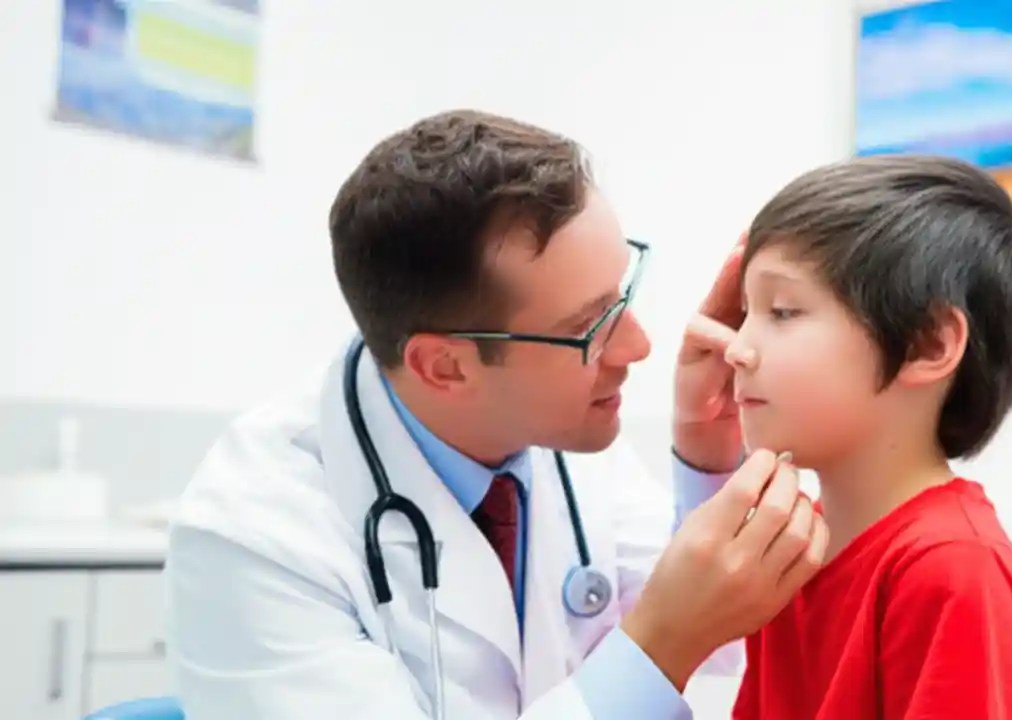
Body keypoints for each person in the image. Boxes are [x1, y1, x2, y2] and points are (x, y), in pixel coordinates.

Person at [163, 109, 828, 719]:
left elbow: (725, 647)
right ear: (444, 365)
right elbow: (673, 635)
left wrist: (705, 463)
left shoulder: (564, 444)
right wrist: (662, 642)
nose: (639, 346)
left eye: (621, 295)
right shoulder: (253, 535)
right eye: (587, 328)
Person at [728, 155, 1012, 719]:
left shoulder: (952, 569)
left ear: (927, 344)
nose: (737, 347)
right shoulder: (787, 545)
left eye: (783, 312)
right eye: (745, 313)